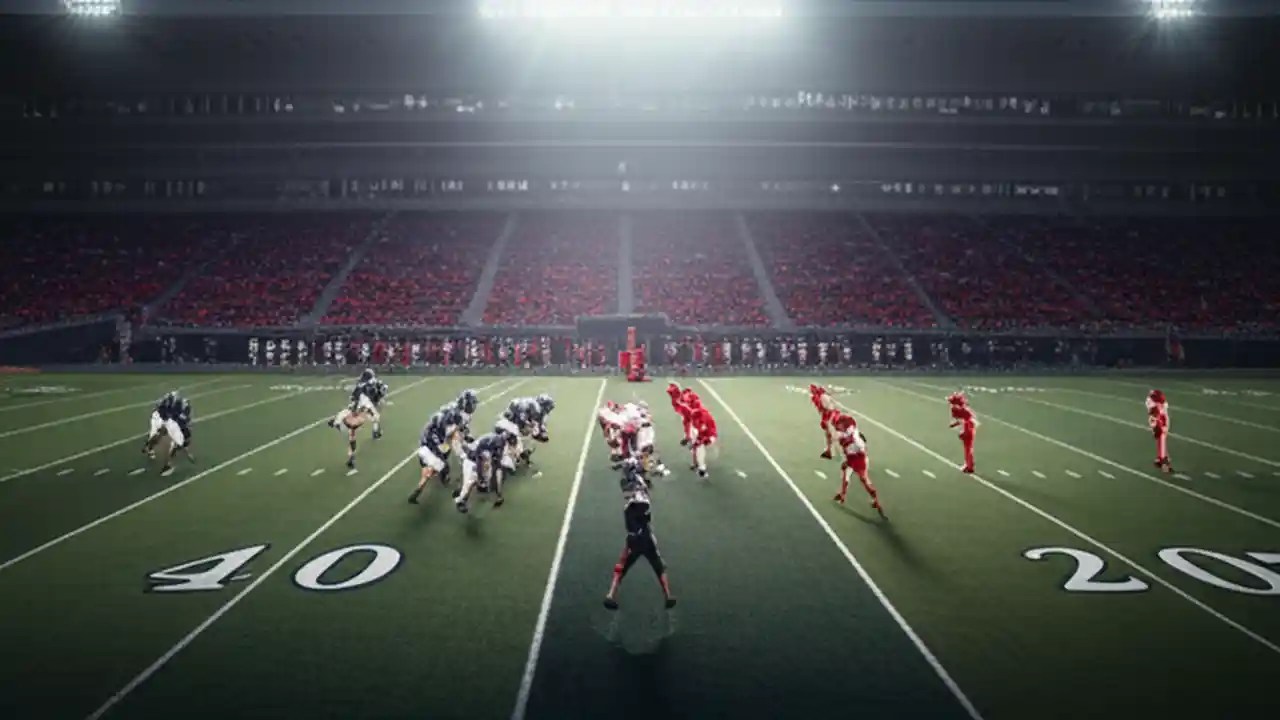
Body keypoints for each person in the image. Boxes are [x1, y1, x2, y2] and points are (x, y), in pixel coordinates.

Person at [603, 456, 676, 611]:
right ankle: (668, 595)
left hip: (635, 537)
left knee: (622, 567)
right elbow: (646, 474)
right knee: (658, 565)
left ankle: (611, 594)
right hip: (645, 535)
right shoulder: (640, 490)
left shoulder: (630, 493)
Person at [1146, 389, 1173, 473]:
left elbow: (1165, 417)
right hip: (1156, 418)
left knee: (1162, 437)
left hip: (1160, 418)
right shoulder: (1151, 404)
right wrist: (1155, 426)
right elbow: (1152, 417)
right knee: (1160, 437)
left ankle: (1162, 459)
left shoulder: (1163, 405)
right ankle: (1162, 460)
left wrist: (1165, 427)